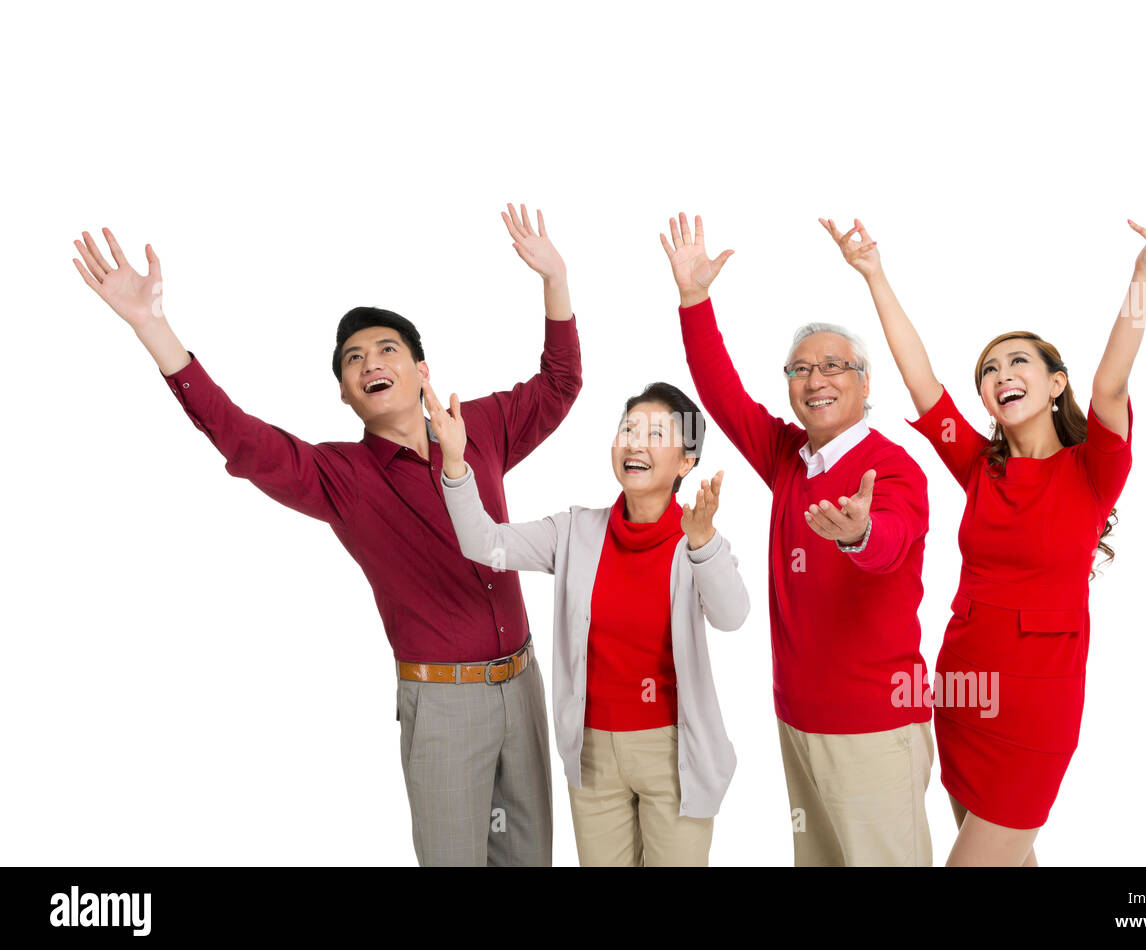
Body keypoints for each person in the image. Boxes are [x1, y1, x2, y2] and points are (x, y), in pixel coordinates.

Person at [71, 204, 582, 866]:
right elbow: (240, 438)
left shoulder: (475, 426)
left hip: (523, 684)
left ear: (422, 370)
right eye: (353, 360)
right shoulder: (339, 474)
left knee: (529, 860)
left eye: (388, 349)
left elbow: (560, 384)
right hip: (444, 703)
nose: (371, 362)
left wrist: (556, 280)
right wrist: (153, 327)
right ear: (346, 393)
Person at [819, 196, 1146, 865]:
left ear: (1057, 383)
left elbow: (1112, 383)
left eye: (1019, 362)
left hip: (1035, 717)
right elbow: (921, 381)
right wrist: (873, 274)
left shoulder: (1093, 470)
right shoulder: (977, 468)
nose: (1002, 375)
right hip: (964, 693)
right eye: (990, 371)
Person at [662, 212, 934, 867]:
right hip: (798, 719)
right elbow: (723, 398)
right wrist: (695, 301)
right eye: (800, 369)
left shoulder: (892, 466)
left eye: (835, 366)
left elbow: (891, 540)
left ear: (866, 384)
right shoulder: (789, 456)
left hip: (872, 726)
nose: (816, 380)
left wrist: (858, 534)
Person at [427, 380, 749, 866]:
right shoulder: (574, 531)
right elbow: (482, 542)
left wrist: (703, 543)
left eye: (657, 433)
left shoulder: (697, 542)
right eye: (627, 429)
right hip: (592, 751)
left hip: (674, 753)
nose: (635, 443)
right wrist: (455, 461)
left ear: (686, 462)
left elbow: (732, 616)